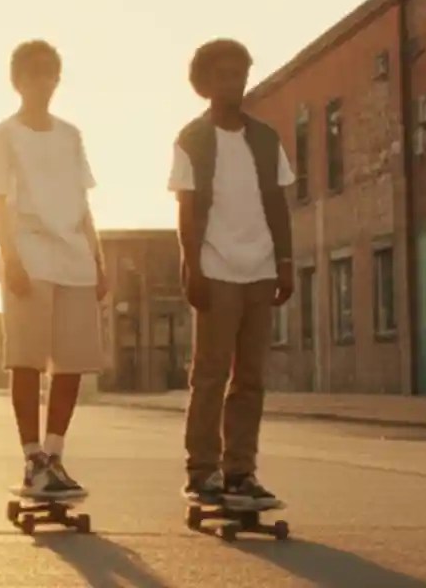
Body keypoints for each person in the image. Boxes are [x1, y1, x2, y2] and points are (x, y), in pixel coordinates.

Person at [168, 38, 294, 510]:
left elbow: (279, 204)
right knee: (211, 374)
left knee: (251, 377)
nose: (233, 83)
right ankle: (203, 472)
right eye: (222, 75)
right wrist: (193, 266)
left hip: (260, 269)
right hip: (216, 269)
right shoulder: (193, 139)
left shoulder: (264, 138)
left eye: (239, 74)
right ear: (205, 83)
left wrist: (285, 262)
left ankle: (241, 472)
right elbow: (186, 210)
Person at [0, 40, 107, 499]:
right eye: (32, 73)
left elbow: (82, 199)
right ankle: (32, 458)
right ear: (17, 80)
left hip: (74, 256)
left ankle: (55, 455)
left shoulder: (70, 135)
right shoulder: (4, 134)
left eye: (49, 73)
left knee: (71, 362)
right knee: (27, 360)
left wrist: (98, 257)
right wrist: (10, 257)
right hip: (29, 254)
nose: (42, 81)